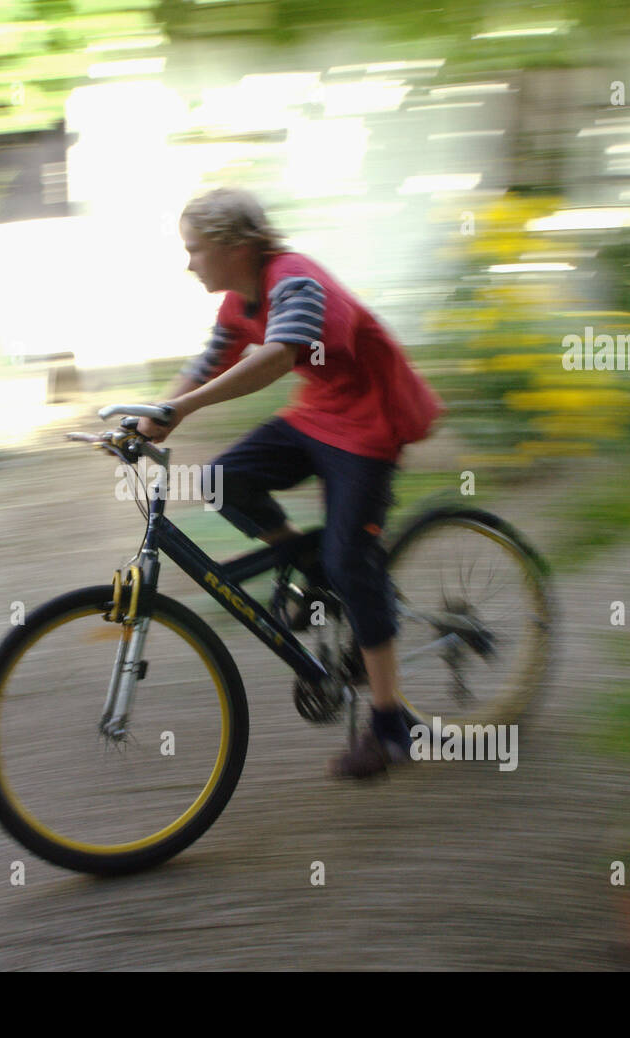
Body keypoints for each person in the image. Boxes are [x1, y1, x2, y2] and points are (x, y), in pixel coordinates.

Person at [137, 187, 442, 779]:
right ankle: (310, 568)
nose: (189, 262)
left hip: (370, 422)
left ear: (236, 246)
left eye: (196, 250)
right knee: (222, 481)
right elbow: (209, 362)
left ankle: (390, 725)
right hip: (321, 415)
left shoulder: (293, 278)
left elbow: (279, 356)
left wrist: (184, 410)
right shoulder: (238, 301)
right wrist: (149, 414)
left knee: (351, 559)